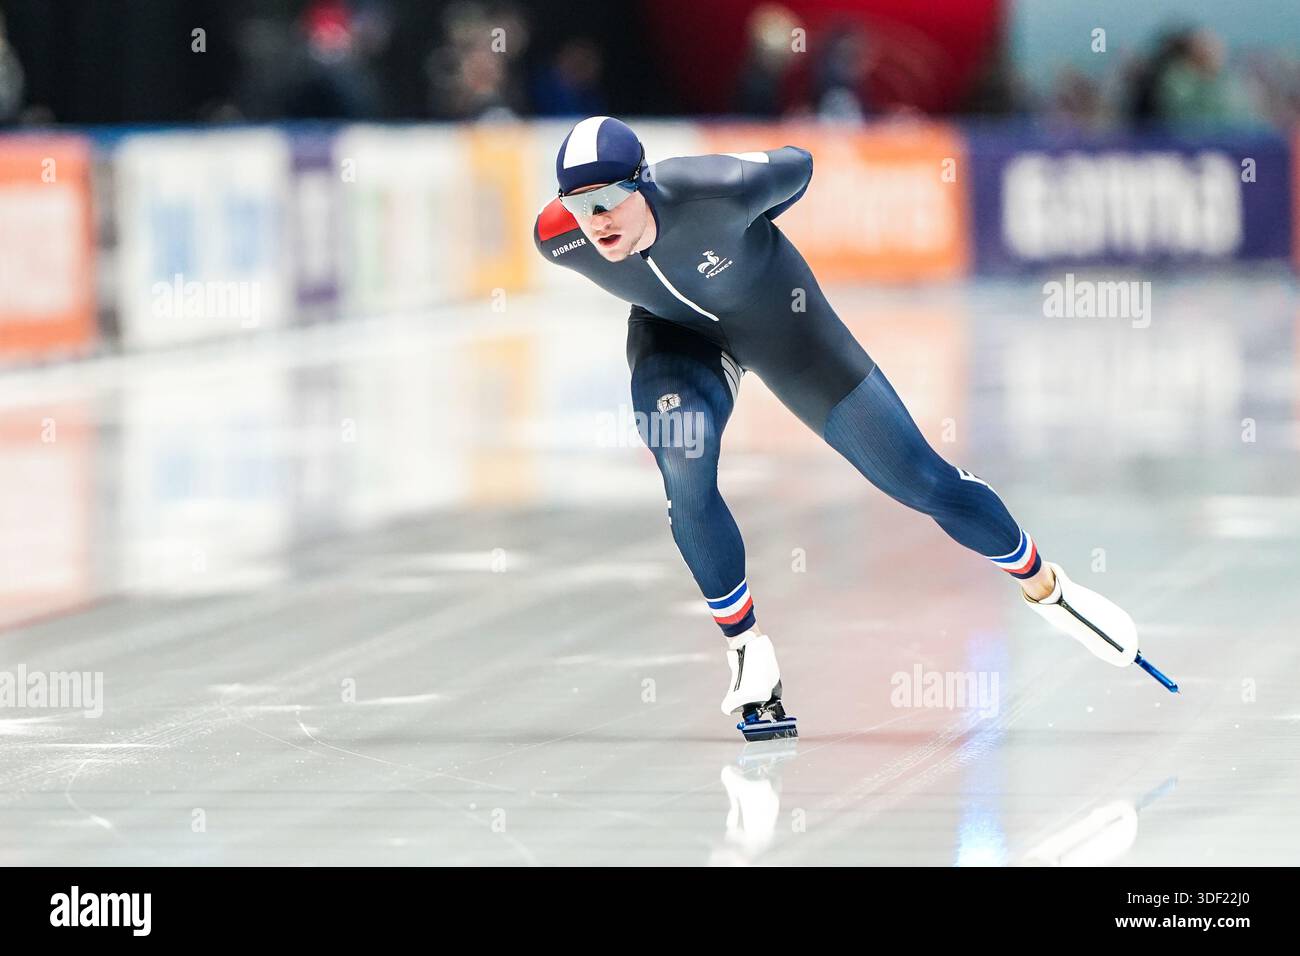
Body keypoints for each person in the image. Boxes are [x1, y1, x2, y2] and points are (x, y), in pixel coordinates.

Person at [532, 117, 1172, 740]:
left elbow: (799, 167)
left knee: (921, 481)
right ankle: (748, 652)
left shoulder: (717, 190)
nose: (598, 220)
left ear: (643, 183)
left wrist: (746, 239)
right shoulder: (555, 236)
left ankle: (1047, 587)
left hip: (787, 328)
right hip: (673, 339)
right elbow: (583, 227)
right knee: (684, 470)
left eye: (612, 198)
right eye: (580, 203)